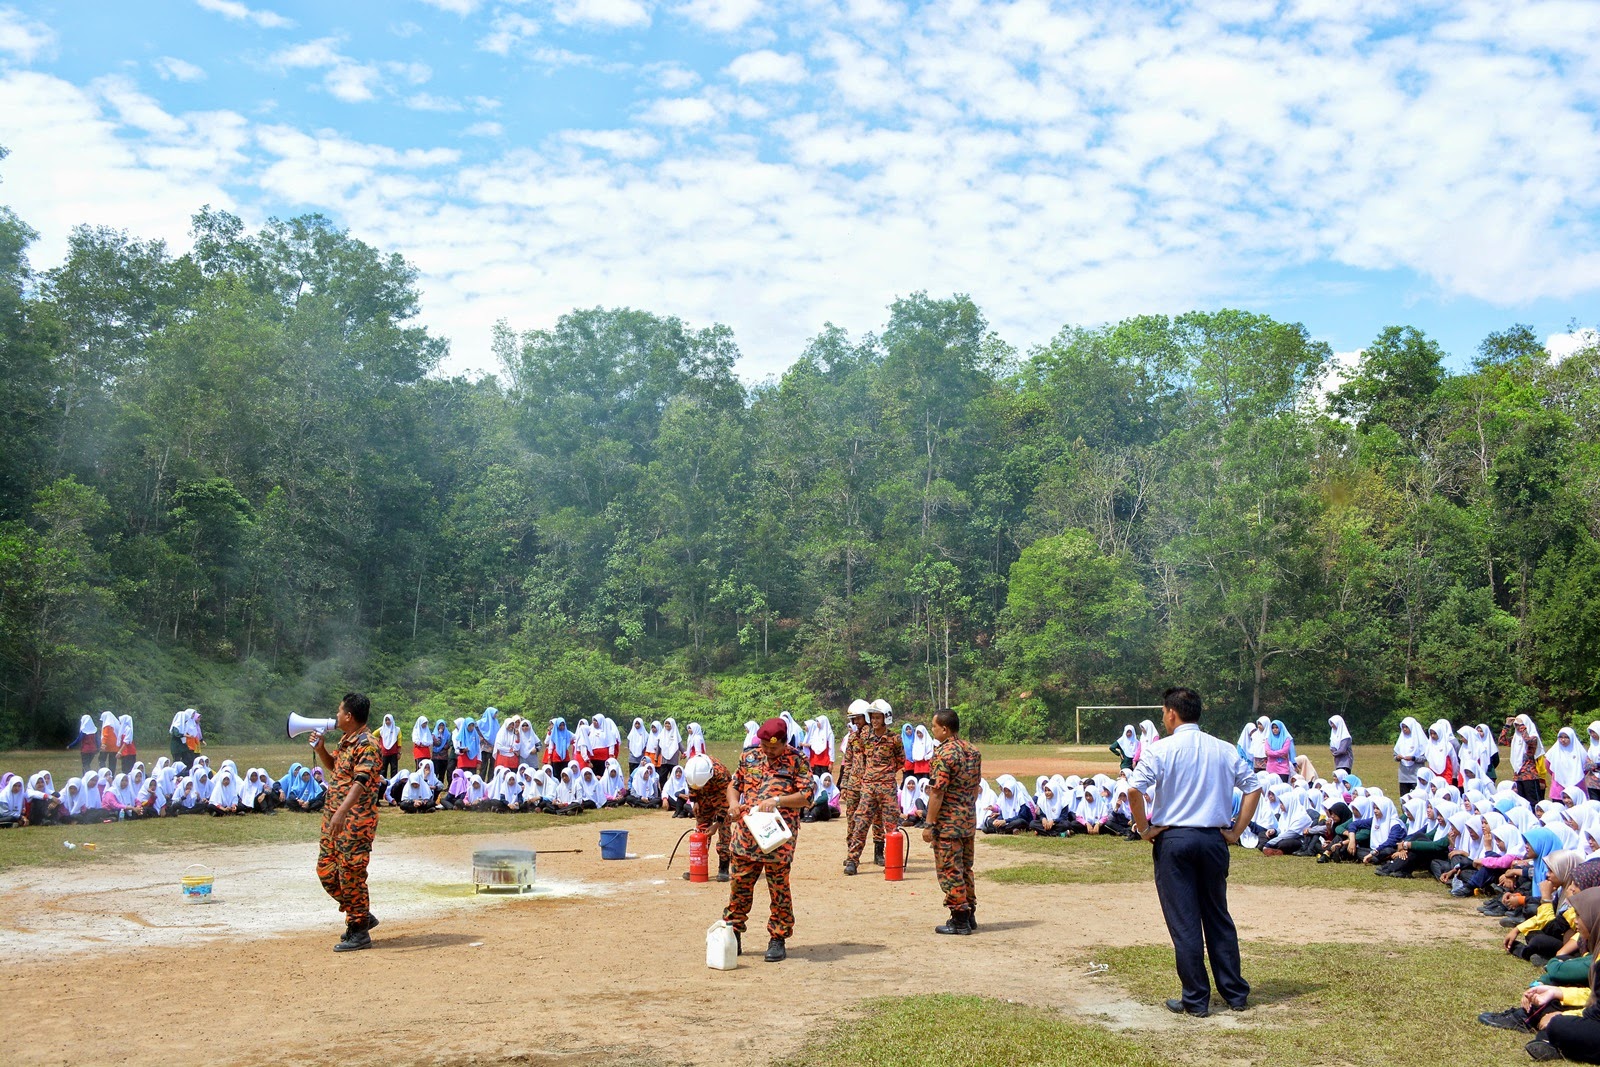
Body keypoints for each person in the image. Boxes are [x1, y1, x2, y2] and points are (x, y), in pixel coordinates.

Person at [1128, 686, 1261, 1018]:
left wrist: (1144, 829)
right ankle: (1235, 994)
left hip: (1174, 841)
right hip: (1213, 840)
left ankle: (1196, 999)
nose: (1163, 717)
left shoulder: (1160, 750)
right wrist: (1235, 832)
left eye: (1163, 712)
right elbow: (1253, 787)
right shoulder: (1224, 748)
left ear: (1172, 713)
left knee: (1185, 922)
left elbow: (1134, 789)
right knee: (1218, 916)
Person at [722, 717, 813, 963]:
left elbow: (806, 796)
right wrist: (733, 803)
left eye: (773, 747)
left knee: (779, 889)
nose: (768, 751)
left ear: (784, 742)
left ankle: (778, 938)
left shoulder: (798, 760)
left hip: (777, 839)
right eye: (764, 746)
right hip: (746, 835)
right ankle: (733, 933)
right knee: (739, 887)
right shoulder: (749, 756)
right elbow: (734, 784)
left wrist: (778, 801)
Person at [309, 692, 382, 953]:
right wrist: (321, 750)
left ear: (349, 716)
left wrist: (341, 811)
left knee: (351, 873)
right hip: (335, 818)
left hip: (355, 822)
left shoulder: (368, 744)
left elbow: (360, 782)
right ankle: (360, 913)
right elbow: (337, 770)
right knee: (326, 870)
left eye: (339, 711)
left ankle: (359, 930)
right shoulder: (346, 741)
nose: (336, 715)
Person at [923, 707, 982, 935]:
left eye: (934, 726)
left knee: (950, 869)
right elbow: (976, 787)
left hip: (948, 823)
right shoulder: (973, 751)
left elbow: (937, 792)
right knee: (966, 868)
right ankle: (970, 914)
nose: (933, 730)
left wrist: (929, 824)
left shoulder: (944, 754)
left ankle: (959, 920)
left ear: (944, 729)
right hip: (968, 820)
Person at [844, 699, 902, 875]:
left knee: (891, 826)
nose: (875, 721)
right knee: (860, 823)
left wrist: (885, 774)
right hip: (868, 788)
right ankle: (852, 860)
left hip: (887, 788)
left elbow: (900, 760)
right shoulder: (863, 737)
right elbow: (859, 756)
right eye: (873, 717)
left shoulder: (894, 739)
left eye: (879, 717)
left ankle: (893, 863)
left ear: (887, 718)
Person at [683, 753, 732, 882]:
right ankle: (698, 866)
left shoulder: (721, 775)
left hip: (719, 798)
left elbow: (725, 804)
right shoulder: (691, 768)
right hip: (702, 798)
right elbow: (691, 785)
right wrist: (694, 800)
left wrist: (717, 824)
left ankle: (723, 867)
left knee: (724, 830)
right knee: (701, 831)